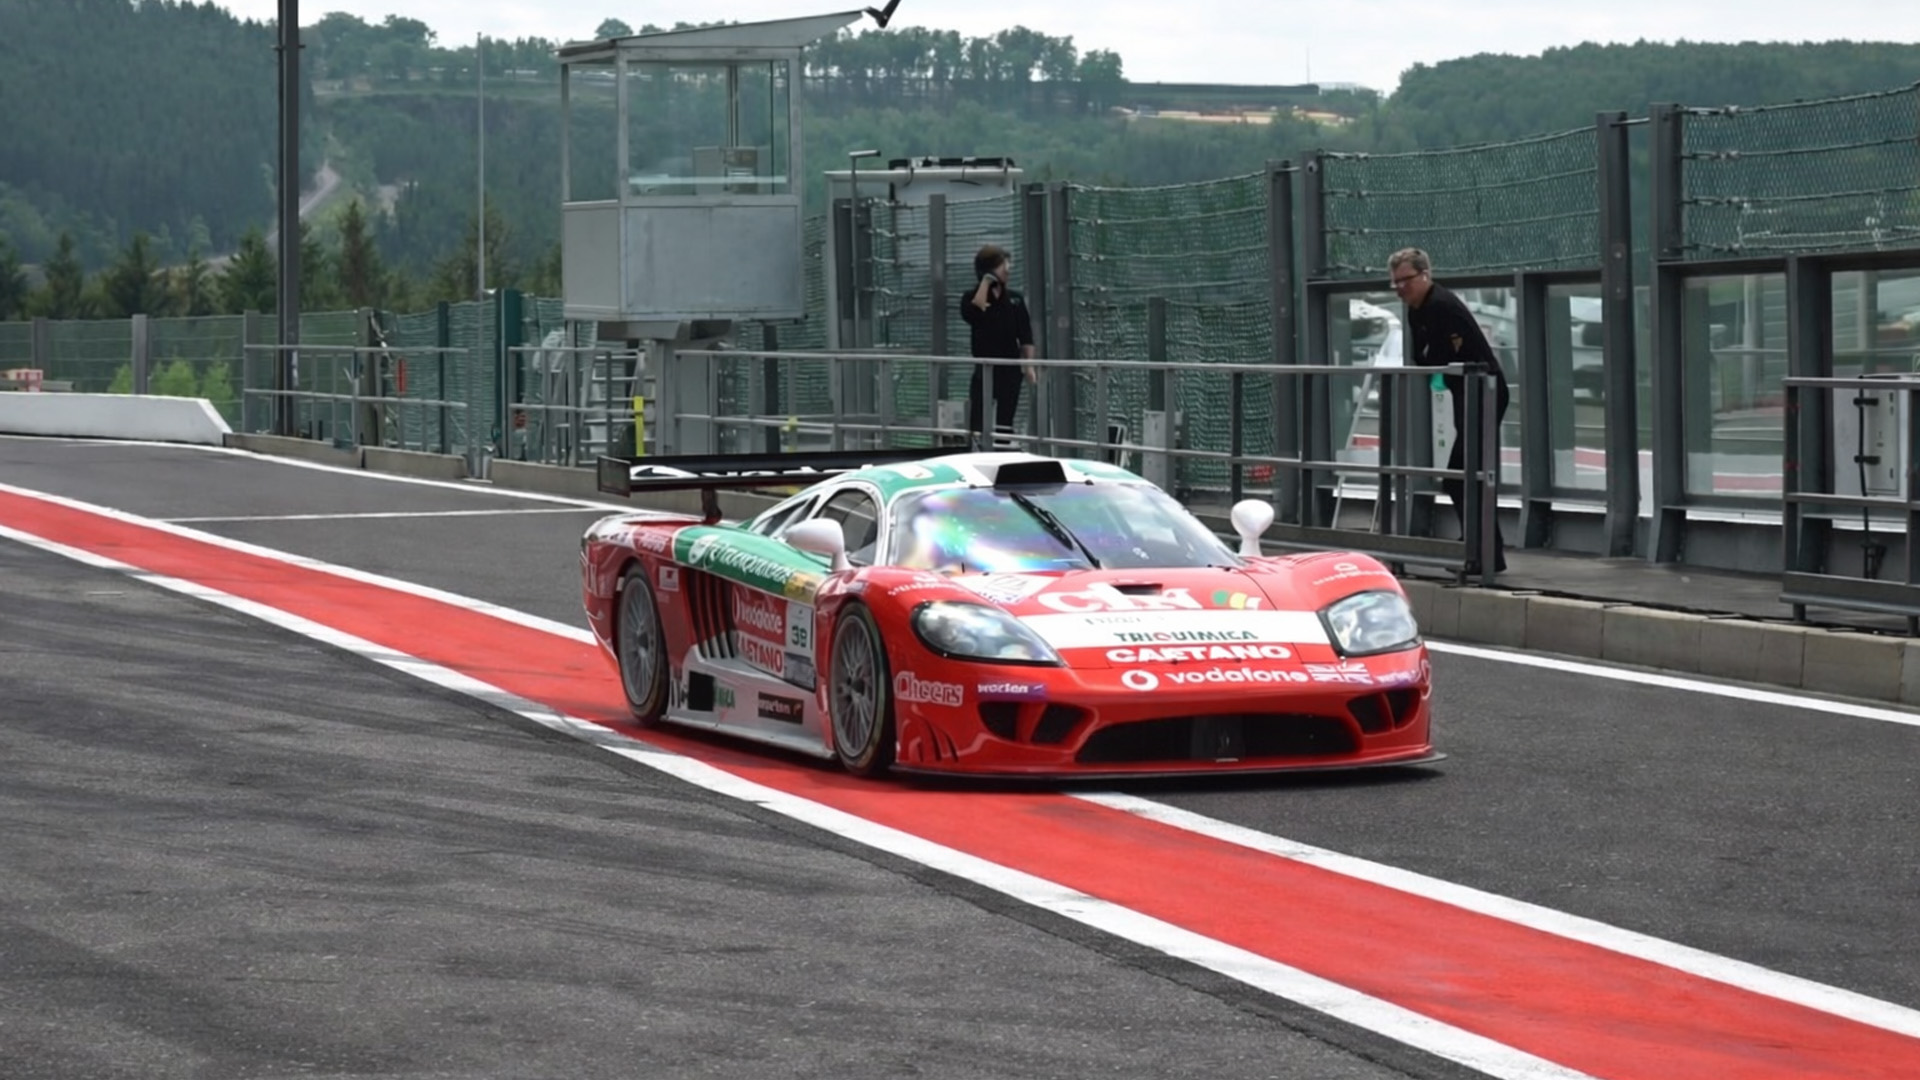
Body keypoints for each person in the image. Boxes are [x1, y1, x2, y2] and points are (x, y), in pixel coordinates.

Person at [1389, 247, 1511, 573]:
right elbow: (1424, 358)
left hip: (1484, 391)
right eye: (1395, 283)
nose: (1401, 288)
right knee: (1463, 475)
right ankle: (1484, 550)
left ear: (1425, 275)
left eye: (1406, 280)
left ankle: (1483, 552)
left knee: (1464, 475)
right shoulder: (1417, 310)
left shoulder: (1441, 306)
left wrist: (1436, 360)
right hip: (1465, 393)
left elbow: (1441, 358)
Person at [959, 244, 1037, 446]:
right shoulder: (971, 298)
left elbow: (1026, 336)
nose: (1007, 271)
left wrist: (1028, 365)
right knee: (978, 416)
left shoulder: (1015, 300)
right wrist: (985, 283)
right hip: (984, 368)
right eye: (1002, 267)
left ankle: (1003, 449)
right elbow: (973, 313)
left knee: (1005, 418)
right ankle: (976, 449)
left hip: (1009, 367)